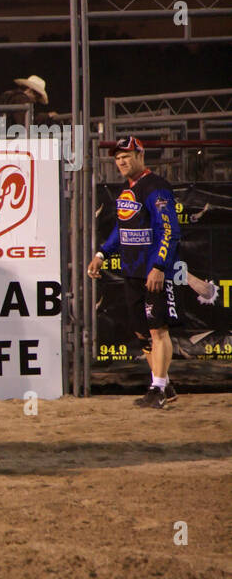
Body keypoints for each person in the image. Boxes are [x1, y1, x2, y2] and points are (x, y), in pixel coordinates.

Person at [87, 137, 181, 409]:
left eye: (126, 155)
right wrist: (102, 253)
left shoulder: (156, 187)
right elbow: (122, 227)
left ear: (141, 154)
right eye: (117, 158)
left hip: (152, 272)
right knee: (142, 333)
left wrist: (159, 266)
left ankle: (159, 388)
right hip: (132, 271)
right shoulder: (127, 189)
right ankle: (163, 383)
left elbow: (169, 230)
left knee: (157, 330)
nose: (121, 162)